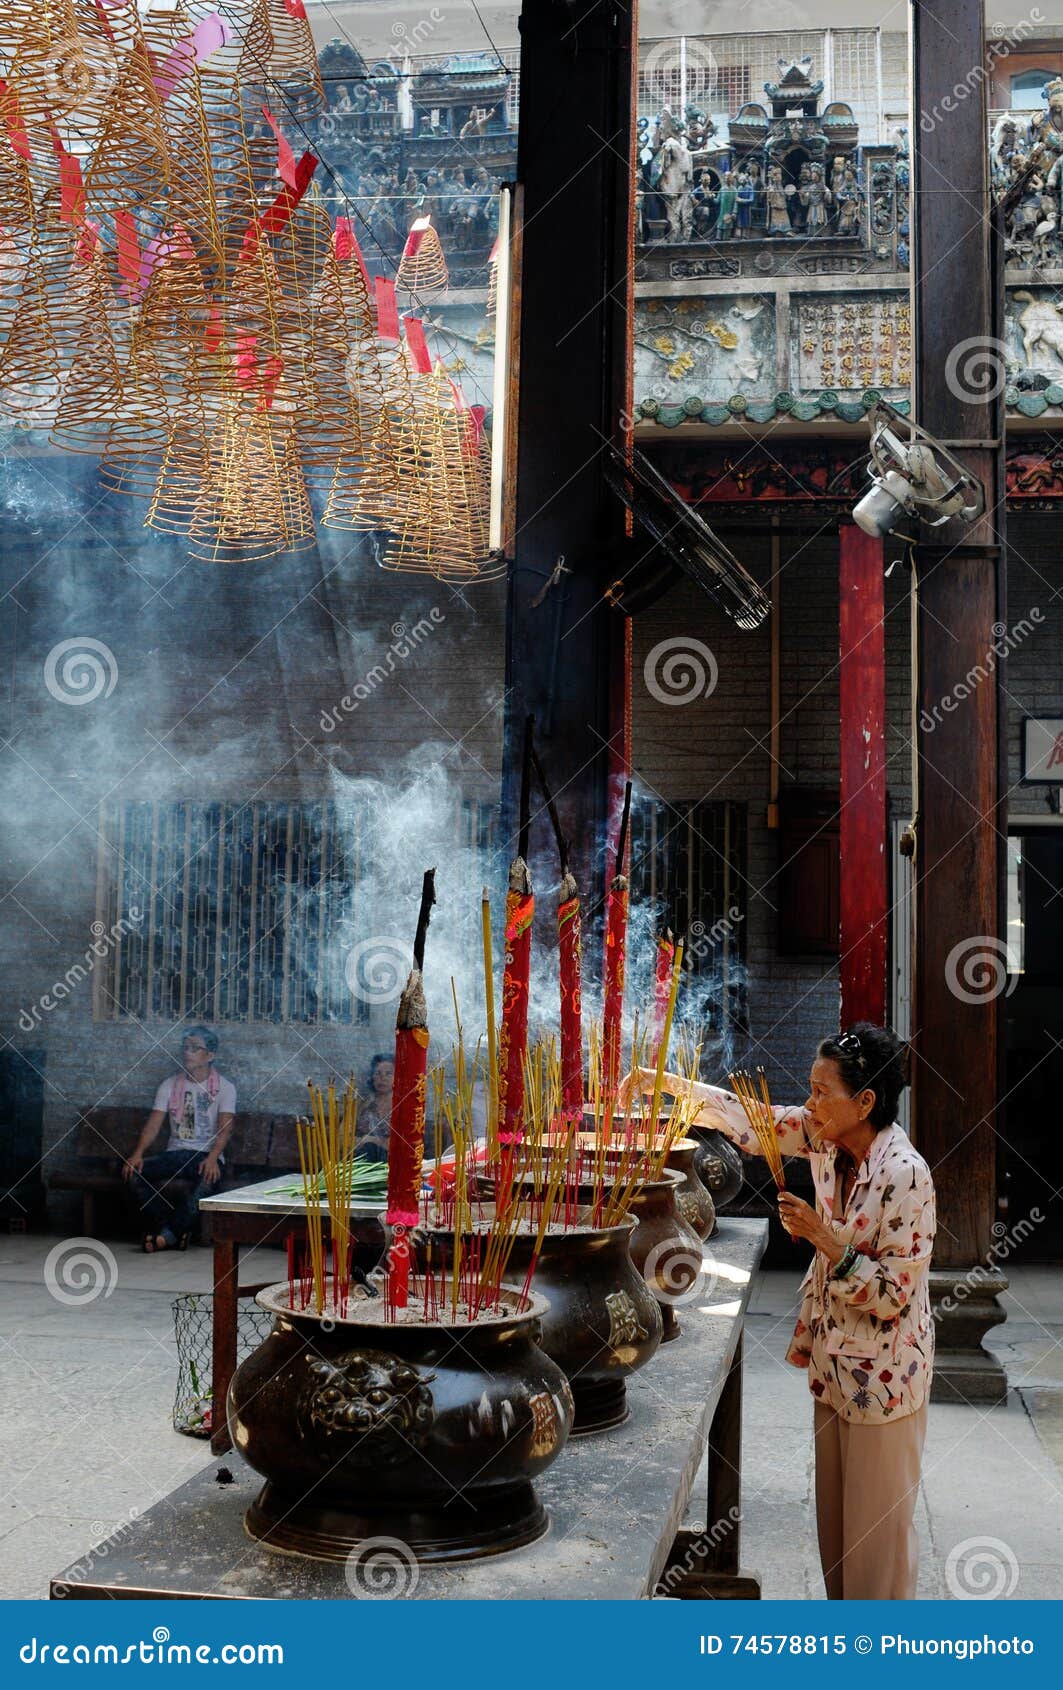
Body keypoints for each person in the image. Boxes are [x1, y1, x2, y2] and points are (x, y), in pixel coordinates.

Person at [623, 1023, 935, 1601]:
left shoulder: (904, 1174)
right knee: (837, 1541)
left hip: (885, 1380)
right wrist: (664, 1085)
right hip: (834, 1366)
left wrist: (826, 1240)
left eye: (821, 1091)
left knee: (878, 1556)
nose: (809, 1103)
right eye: (810, 1090)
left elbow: (893, 1295)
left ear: (865, 1101)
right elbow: (749, 1119)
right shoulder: (825, 1138)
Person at [123, 1027, 236, 1252]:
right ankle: (174, 1231)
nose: (187, 1053)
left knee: (207, 1182)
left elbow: (225, 1130)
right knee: (132, 1173)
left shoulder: (225, 1088)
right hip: (175, 1155)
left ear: (210, 1056)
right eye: (185, 1047)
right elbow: (154, 1124)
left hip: (205, 1157)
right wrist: (137, 1154)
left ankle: (165, 1235)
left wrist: (213, 1158)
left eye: (195, 1048)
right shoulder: (169, 1085)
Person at [356, 1053, 394, 1162]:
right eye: (377, 1073)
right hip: (361, 1164)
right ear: (372, 1076)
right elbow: (341, 1137)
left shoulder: (403, 1107)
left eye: (388, 1074)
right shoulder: (362, 1104)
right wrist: (360, 1141)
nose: (382, 1078)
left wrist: (374, 1141)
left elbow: (404, 1143)